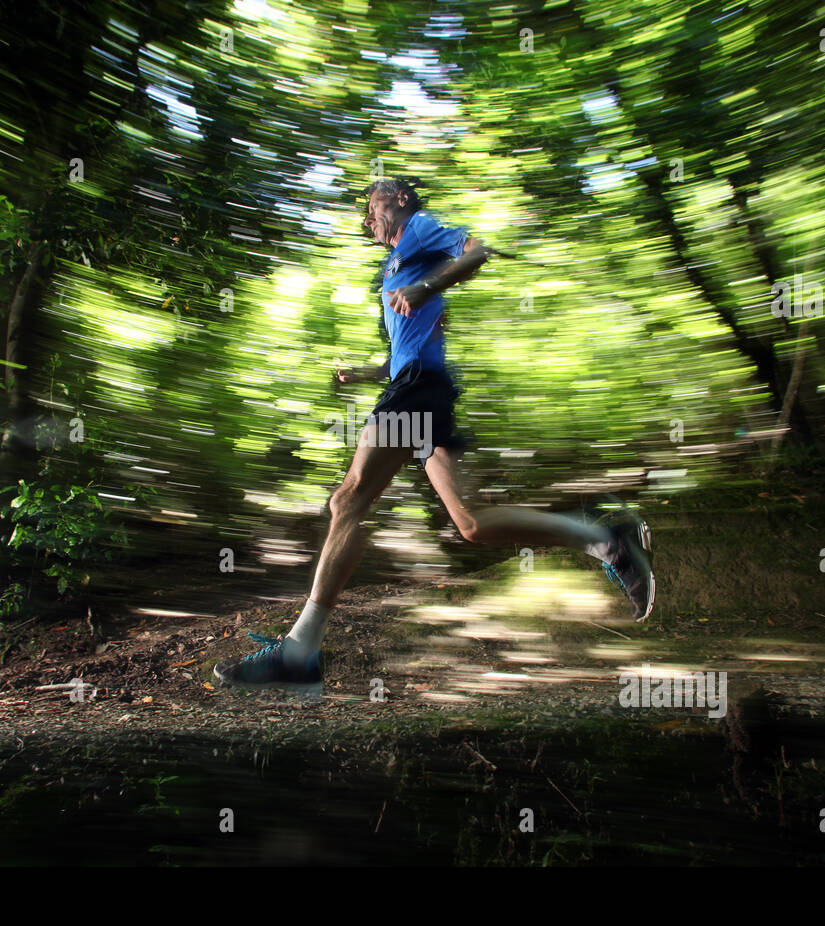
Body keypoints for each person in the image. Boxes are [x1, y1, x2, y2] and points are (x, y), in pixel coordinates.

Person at [214, 178, 654, 692]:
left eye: (372, 207)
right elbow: (408, 344)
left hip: (418, 389)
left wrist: (426, 287)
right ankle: (605, 539)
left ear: (400, 200)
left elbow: (477, 250)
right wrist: (369, 371)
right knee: (469, 524)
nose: (366, 220)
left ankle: (298, 654)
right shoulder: (397, 264)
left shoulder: (417, 230)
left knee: (348, 500)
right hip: (421, 386)